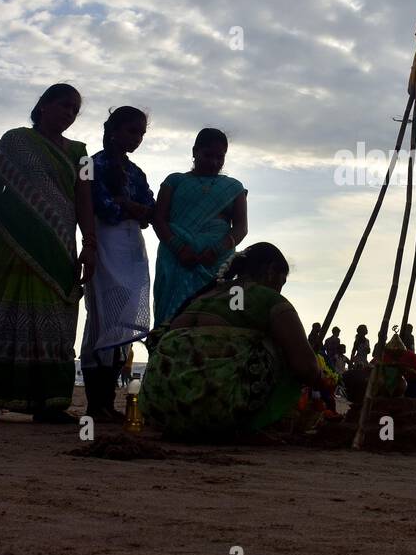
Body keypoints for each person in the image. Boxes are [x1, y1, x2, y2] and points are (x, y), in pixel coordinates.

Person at [0, 83, 96, 422]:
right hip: (9, 246)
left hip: (59, 249)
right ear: (43, 105)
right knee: (2, 315)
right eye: (64, 105)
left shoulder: (82, 154)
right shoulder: (14, 141)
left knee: (55, 322)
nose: (69, 114)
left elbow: (85, 202)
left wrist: (90, 246)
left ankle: (48, 404)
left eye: (74, 110)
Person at [140, 243, 324, 439]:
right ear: (270, 271)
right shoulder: (268, 300)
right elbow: (306, 367)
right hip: (216, 409)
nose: (279, 291)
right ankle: (255, 422)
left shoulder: (203, 296)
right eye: (281, 283)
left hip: (159, 406)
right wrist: (322, 382)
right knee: (283, 348)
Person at [79, 106, 155, 423]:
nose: (136, 138)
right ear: (114, 130)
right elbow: (105, 208)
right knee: (101, 318)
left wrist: (129, 205)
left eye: (140, 133)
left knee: (121, 319)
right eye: (131, 131)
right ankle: (96, 403)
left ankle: (106, 403)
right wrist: (130, 207)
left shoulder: (136, 172)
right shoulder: (91, 163)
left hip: (132, 248)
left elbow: (150, 213)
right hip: (106, 243)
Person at [152, 128, 247, 327]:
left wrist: (217, 250)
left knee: (212, 319)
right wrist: (179, 248)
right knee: (171, 321)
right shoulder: (174, 181)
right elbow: (159, 219)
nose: (214, 162)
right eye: (208, 155)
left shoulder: (234, 187)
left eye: (219, 157)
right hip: (175, 260)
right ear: (195, 151)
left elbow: (240, 228)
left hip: (216, 263)